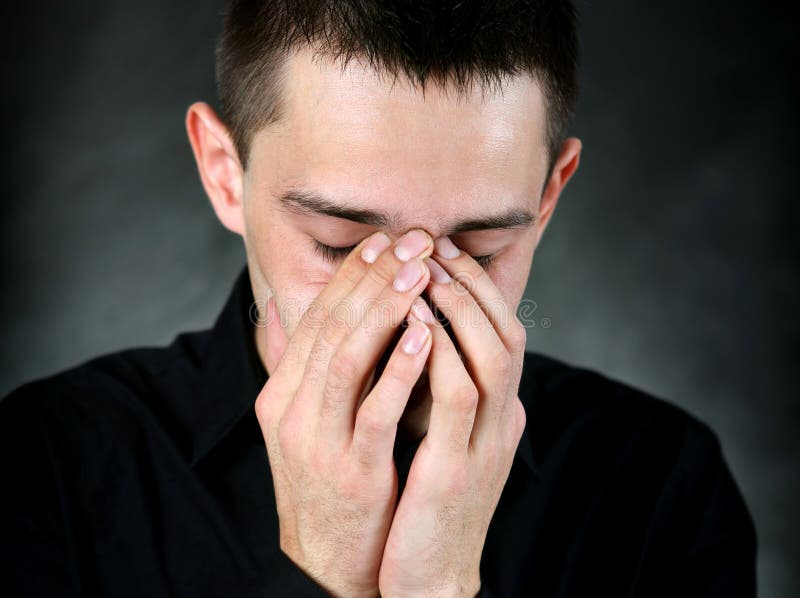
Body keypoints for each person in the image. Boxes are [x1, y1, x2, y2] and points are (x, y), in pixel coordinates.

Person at [0, 1, 756, 596]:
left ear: (549, 197)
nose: (413, 302)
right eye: (338, 241)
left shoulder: (660, 487)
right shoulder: (49, 468)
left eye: (482, 250)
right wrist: (322, 575)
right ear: (225, 173)